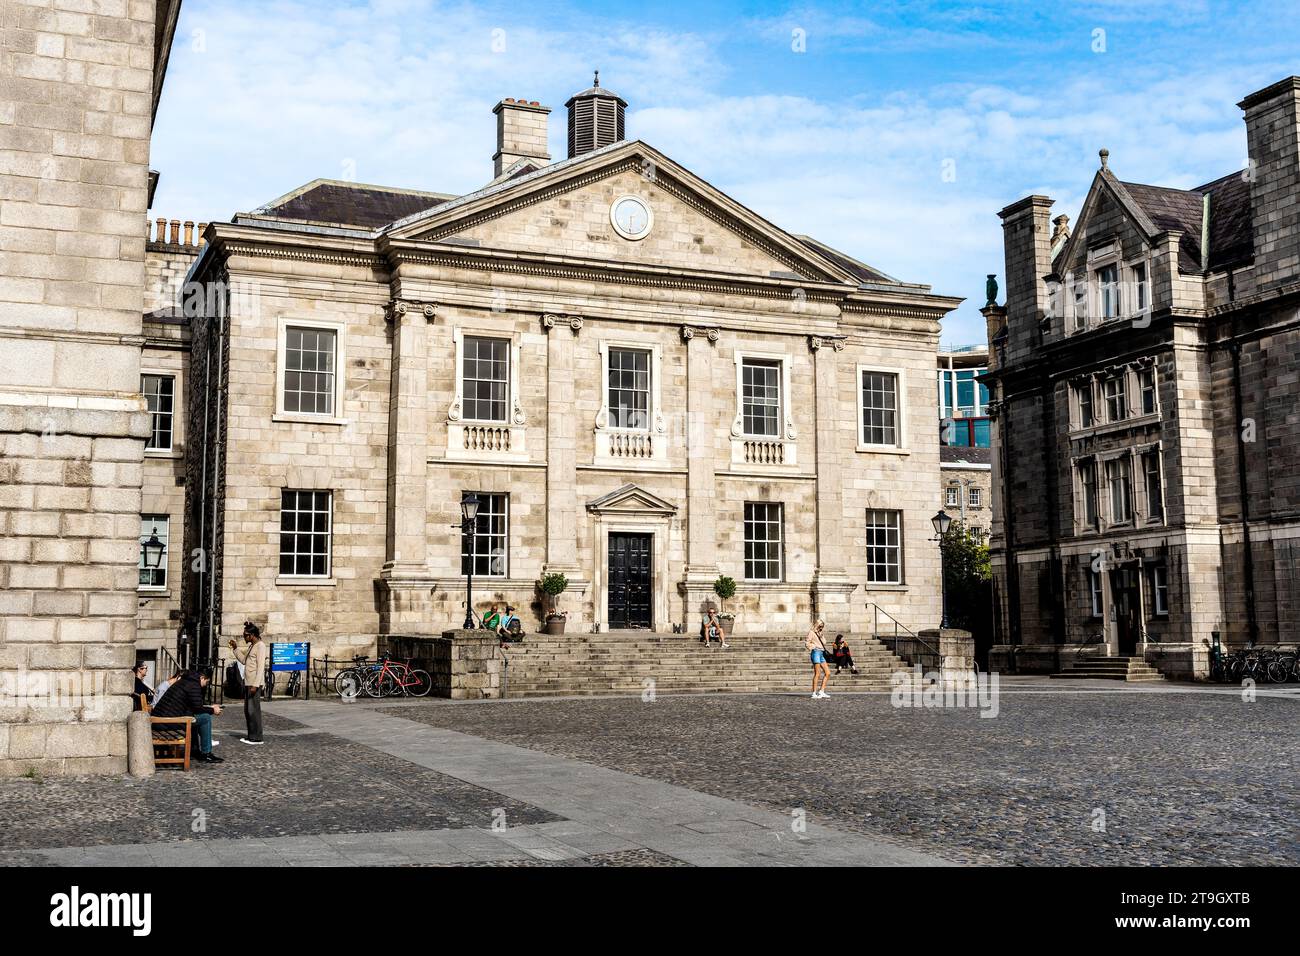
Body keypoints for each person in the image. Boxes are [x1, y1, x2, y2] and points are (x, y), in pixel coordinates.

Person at [151, 668, 224, 763]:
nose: (207, 684)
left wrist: (210, 707)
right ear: (202, 678)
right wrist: (213, 710)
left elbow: (194, 706)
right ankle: (206, 753)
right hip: (167, 722)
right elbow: (198, 708)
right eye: (207, 681)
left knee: (195, 718)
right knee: (205, 718)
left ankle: (194, 750)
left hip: (161, 719)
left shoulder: (186, 681)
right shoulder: (194, 685)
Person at [228, 621, 267, 746]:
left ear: (251, 635)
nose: (244, 637)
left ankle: (256, 737)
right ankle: (252, 736)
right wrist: (235, 649)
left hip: (254, 683)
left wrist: (256, 685)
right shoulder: (252, 646)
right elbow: (244, 661)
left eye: (245, 635)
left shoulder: (260, 646)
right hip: (248, 682)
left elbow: (261, 667)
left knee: (253, 710)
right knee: (248, 710)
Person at [805, 619, 831, 699]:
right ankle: (814, 693)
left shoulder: (820, 633)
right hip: (816, 652)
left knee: (828, 672)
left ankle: (821, 691)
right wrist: (813, 647)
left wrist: (821, 635)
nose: (821, 628)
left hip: (821, 653)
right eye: (820, 626)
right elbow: (807, 643)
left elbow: (824, 642)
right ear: (817, 625)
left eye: (822, 626)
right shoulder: (811, 632)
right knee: (817, 673)